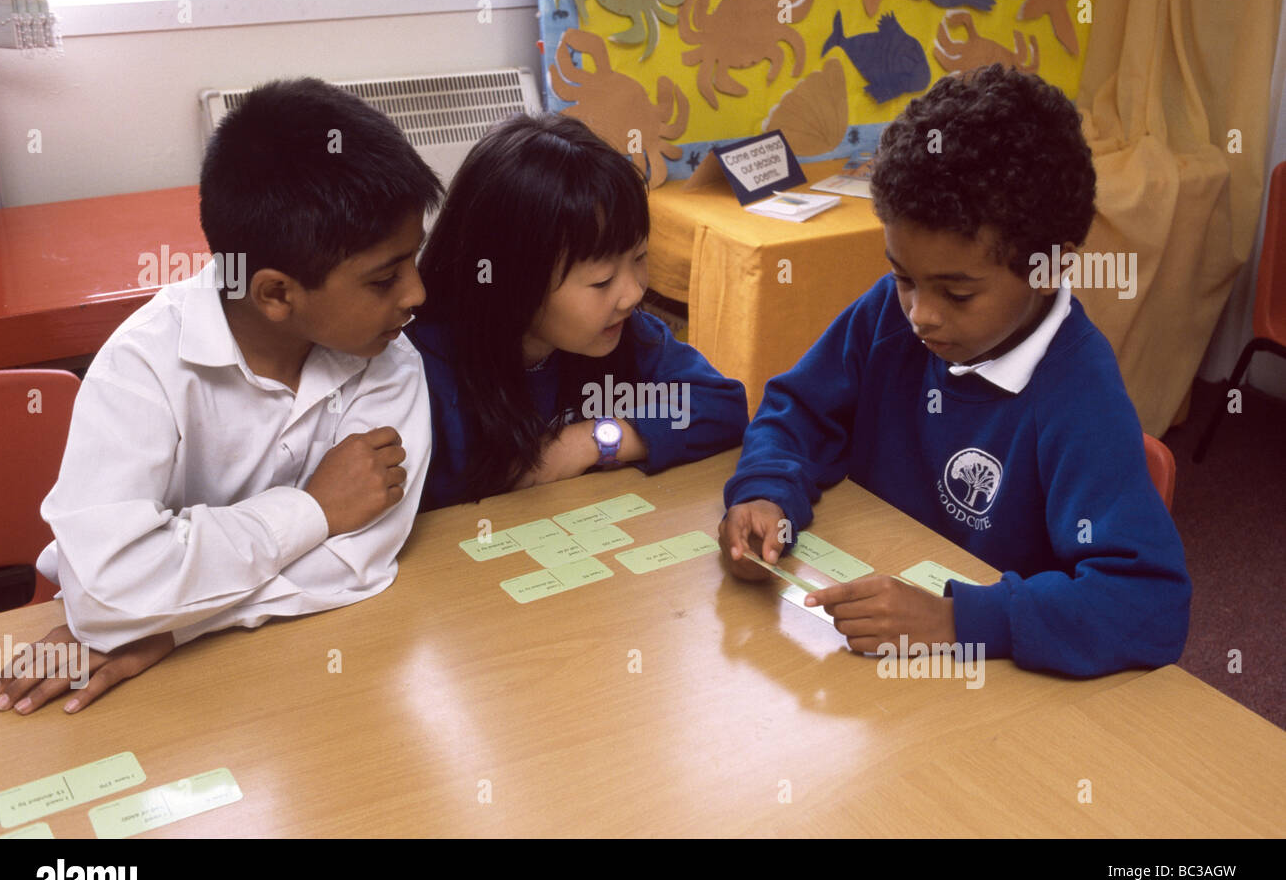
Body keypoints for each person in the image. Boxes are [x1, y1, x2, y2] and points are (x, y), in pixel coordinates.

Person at [719, 64, 1190, 677]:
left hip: (993, 702)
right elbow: (798, 411)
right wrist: (764, 492)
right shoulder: (890, 314)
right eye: (903, 276)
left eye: (957, 293)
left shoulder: (1080, 397)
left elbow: (1149, 604)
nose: (921, 315)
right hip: (869, 671)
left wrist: (955, 622)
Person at [0, 77, 441, 715]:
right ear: (276, 294)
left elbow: (358, 564)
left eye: (413, 259)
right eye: (384, 278)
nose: (417, 294)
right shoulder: (140, 364)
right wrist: (312, 510)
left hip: (295, 670)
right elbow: (107, 590)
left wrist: (170, 627)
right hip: (154, 701)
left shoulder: (389, 356)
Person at [407, 112, 748, 511]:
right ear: (513, 282)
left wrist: (591, 441)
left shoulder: (626, 334)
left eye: (639, 257)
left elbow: (723, 406)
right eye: (602, 281)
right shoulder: (424, 369)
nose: (632, 293)